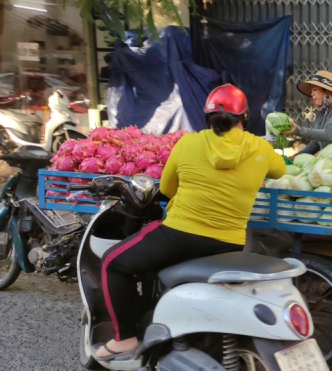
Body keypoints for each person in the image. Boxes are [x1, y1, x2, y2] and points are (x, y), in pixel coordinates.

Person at [93, 84, 286, 361]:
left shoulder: (188, 143)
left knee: (113, 262)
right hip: (230, 242)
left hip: (181, 235)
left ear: (207, 118)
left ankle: (125, 339)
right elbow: (280, 169)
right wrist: (274, 144)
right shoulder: (260, 148)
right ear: (245, 117)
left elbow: (169, 190)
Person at [283, 71, 332, 155]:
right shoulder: (321, 112)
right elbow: (317, 142)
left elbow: (328, 134)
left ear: (327, 91)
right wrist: (297, 156)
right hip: (331, 162)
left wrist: (297, 130)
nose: (312, 94)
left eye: (315, 90)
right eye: (311, 91)